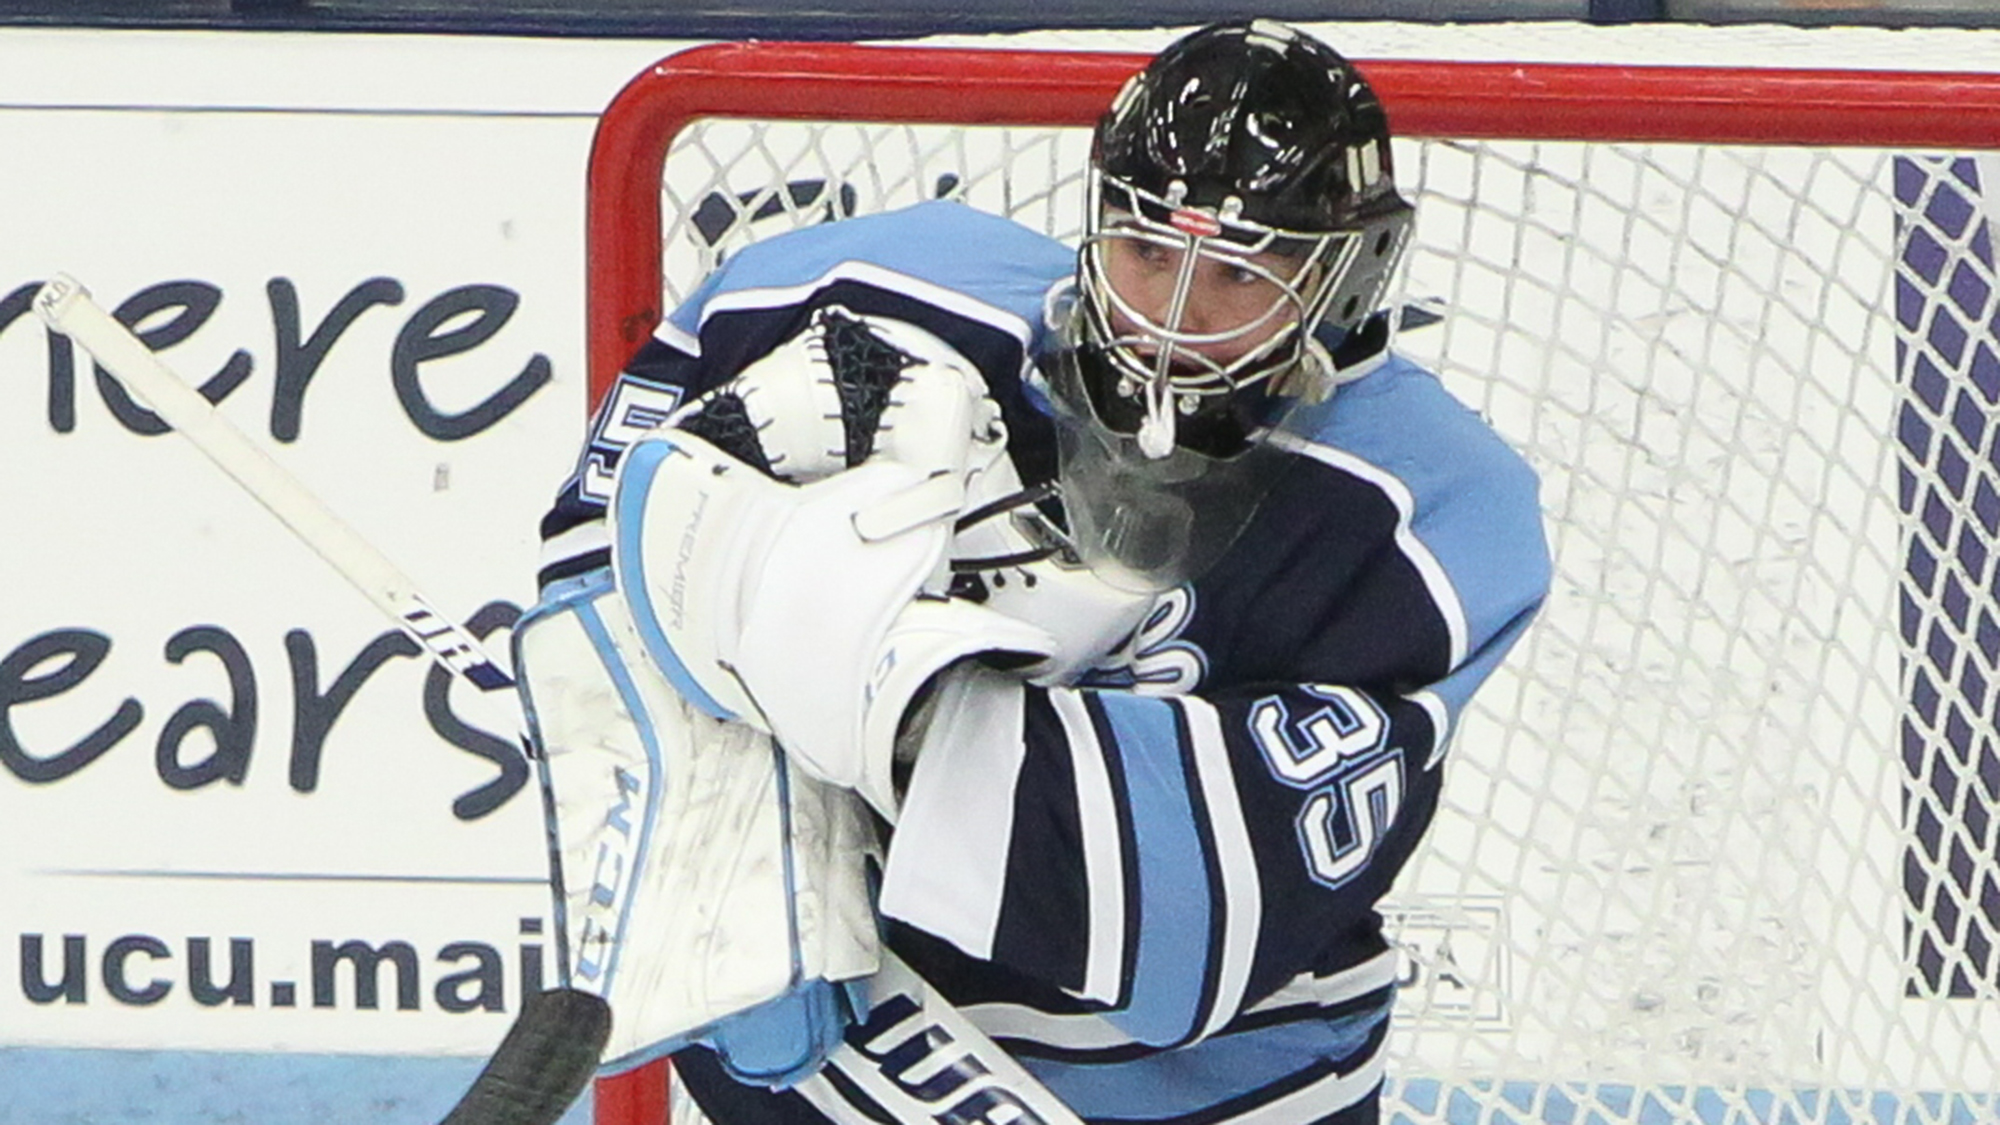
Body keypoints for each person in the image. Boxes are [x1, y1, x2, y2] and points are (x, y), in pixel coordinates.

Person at [525, 18, 1551, 1125]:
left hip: (1224, 1096)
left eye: (1238, 274)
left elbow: (1196, 916)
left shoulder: (1428, 509)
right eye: (1148, 252)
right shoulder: (856, 293)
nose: (1171, 316)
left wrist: (873, 681)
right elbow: (599, 571)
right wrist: (734, 879)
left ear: (1340, 277)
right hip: (839, 1058)